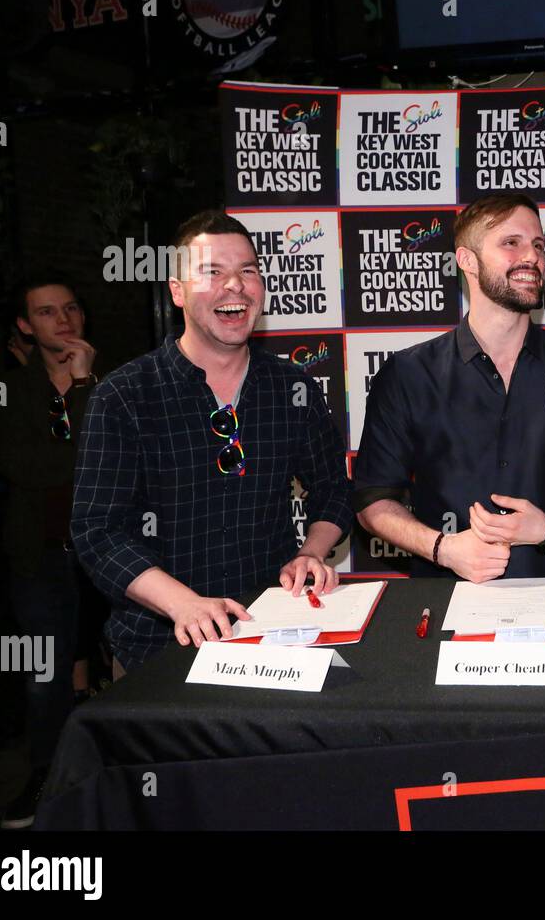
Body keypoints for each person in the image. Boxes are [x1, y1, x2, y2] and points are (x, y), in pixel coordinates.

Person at [71, 210, 353, 673]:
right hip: (157, 650)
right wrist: (184, 604)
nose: (235, 286)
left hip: (274, 633)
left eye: (248, 271)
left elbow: (334, 490)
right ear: (177, 291)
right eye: (212, 272)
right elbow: (98, 533)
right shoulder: (124, 395)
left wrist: (310, 553)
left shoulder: (291, 388)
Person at [355, 193, 545, 580]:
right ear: (467, 260)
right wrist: (445, 548)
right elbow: (372, 501)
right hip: (444, 602)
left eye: (538, 245)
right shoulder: (407, 374)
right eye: (512, 243)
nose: (533, 257)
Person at [0, 280, 100, 828]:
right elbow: (30, 466)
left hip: (107, 555)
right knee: (44, 679)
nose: (64, 319)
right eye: (47, 312)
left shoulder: (113, 384)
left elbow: (106, 463)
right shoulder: (9, 390)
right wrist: (76, 391)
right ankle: (46, 778)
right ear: (25, 326)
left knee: (120, 671)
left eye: (72, 307)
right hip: (41, 556)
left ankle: (104, 781)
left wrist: (85, 387)